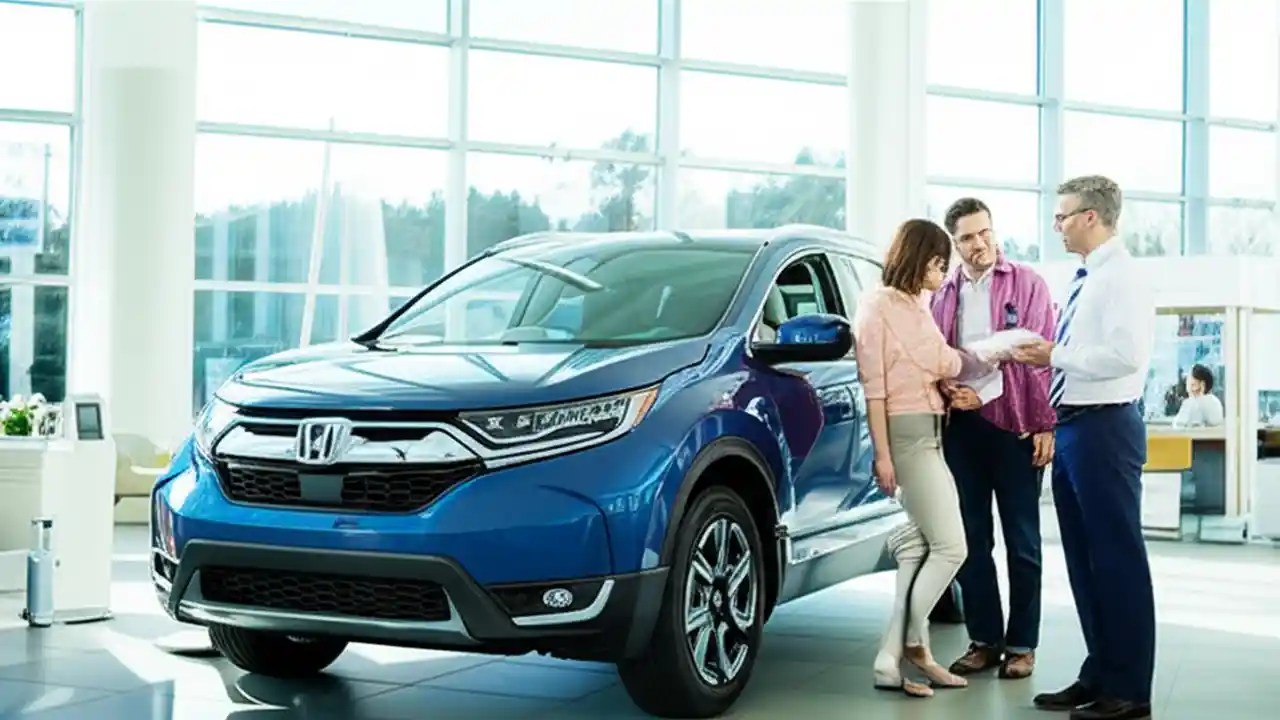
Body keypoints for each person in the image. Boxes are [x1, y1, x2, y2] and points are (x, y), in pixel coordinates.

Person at [1011, 175, 1157, 720]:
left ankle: (1130, 692)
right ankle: (1100, 672)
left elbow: (1125, 356)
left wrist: (1054, 354)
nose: (1058, 224)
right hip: (1075, 425)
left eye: (1064, 215)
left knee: (1117, 560)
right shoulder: (1089, 278)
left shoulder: (1123, 279)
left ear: (1091, 217)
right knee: (1085, 560)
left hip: (1105, 427)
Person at [853, 218, 995, 698]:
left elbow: (938, 364)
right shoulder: (878, 308)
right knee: (953, 546)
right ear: (917, 258)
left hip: (933, 433)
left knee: (919, 547)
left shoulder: (916, 303)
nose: (943, 273)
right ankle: (916, 642)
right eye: (938, 264)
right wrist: (882, 456)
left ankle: (888, 663)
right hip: (909, 438)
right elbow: (877, 390)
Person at [929, 197, 1057, 681]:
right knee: (971, 540)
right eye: (967, 237)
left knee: (1023, 541)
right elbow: (936, 357)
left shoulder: (1028, 282)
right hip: (964, 429)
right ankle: (984, 640)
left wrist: (1045, 422)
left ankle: (1022, 645)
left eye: (984, 232)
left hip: (1018, 426)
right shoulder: (943, 295)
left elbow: (1042, 354)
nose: (979, 243)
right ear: (954, 243)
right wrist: (950, 389)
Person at [1172, 364, 1224, 428]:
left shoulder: (1191, 404)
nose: (1186, 382)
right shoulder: (1215, 402)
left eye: (1188, 378)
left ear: (1201, 384)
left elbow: (1178, 427)